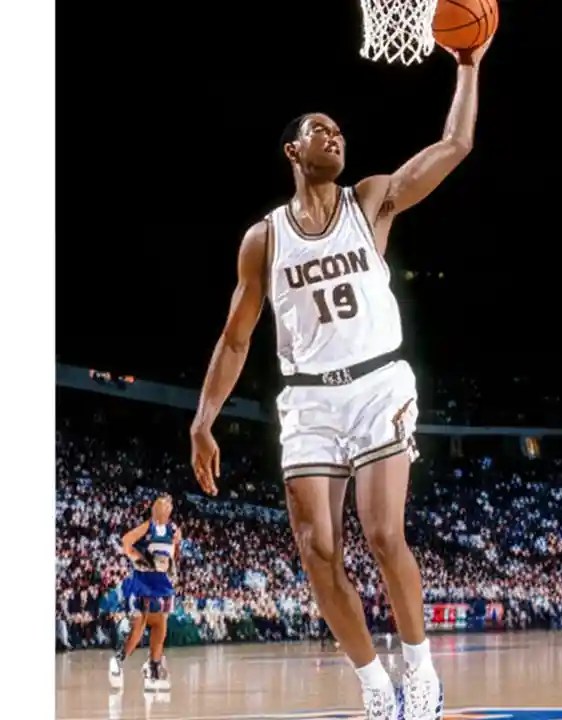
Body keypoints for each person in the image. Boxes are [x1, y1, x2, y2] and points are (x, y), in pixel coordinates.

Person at [188, 39, 490, 720]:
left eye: (339, 129)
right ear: (293, 151)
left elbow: (454, 145)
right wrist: (204, 419)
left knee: (383, 533)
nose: (335, 135)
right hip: (309, 399)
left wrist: (468, 68)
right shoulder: (264, 238)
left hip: (379, 382)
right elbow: (237, 337)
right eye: (319, 128)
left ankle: (420, 671)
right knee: (316, 548)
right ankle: (375, 686)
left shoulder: (372, 200)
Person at [109, 494, 181, 692]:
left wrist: (171, 566)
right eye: (160, 504)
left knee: (160, 625)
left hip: (161, 582)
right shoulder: (147, 527)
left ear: (170, 510)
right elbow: (126, 542)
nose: (163, 508)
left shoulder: (173, 530)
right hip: (143, 580)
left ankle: (153, 667)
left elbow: (173, 551)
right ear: (154, 509)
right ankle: (118, 660)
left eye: (167, 505)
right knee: (138, 628)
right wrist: (139, 558)